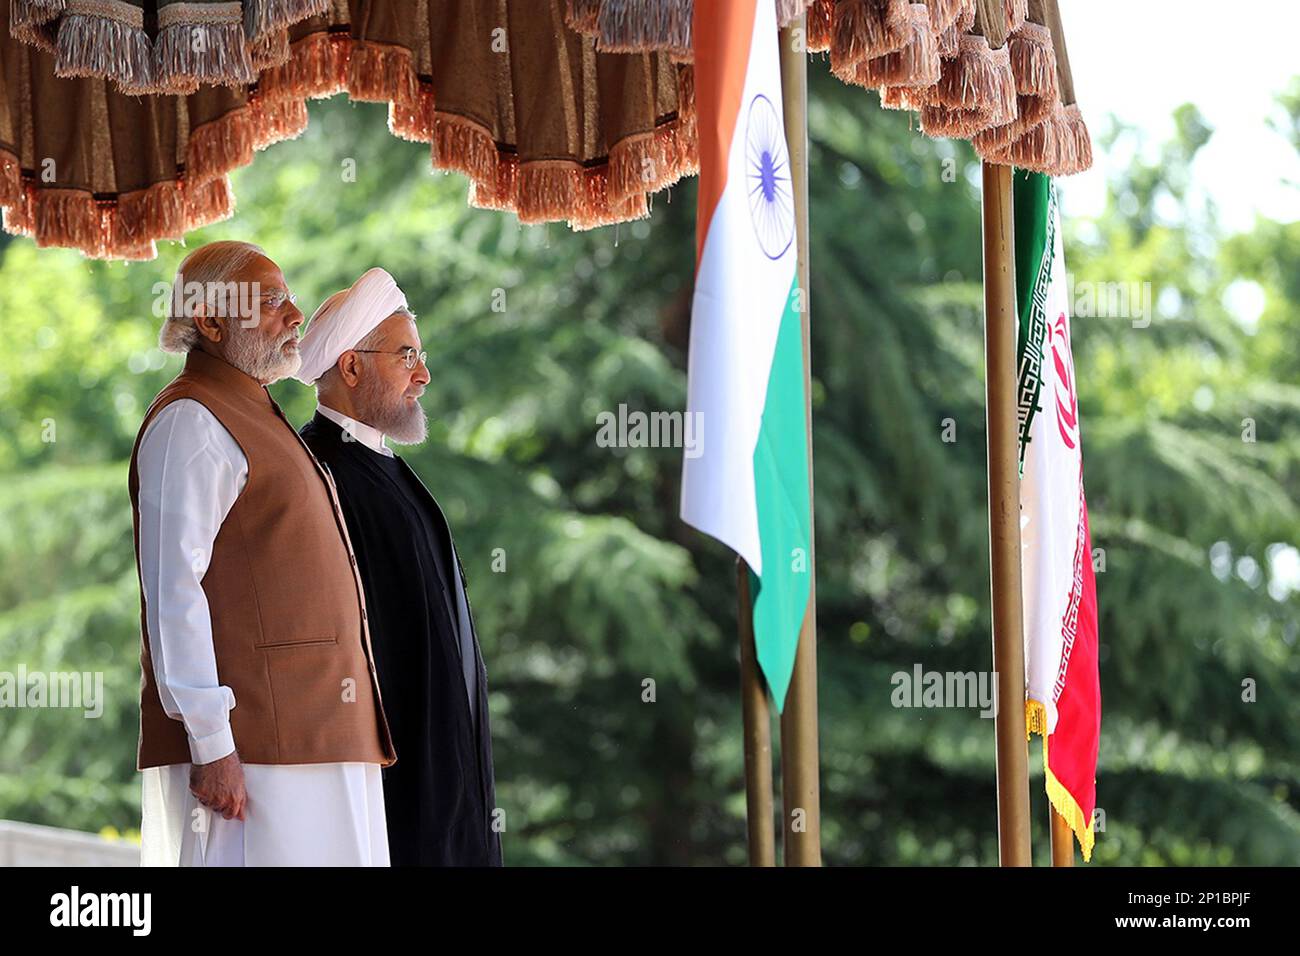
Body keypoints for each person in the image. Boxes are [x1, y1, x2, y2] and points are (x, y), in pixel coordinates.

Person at [131, 241, 396, 866]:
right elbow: (174, 591)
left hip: (315, 736)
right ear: (213, 321)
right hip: (250, 753)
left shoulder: (257, 413)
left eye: (290, 297)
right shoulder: (190, 420)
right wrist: (211, 742)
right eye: (272, 301)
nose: (295, 315)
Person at [296, 268, 501, 866]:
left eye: (422, 353)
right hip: (395, 787)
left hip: (447, 776)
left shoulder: (379, 466)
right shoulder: (321, 473)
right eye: (405, 354)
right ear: (351, 367)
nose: (424, 374)